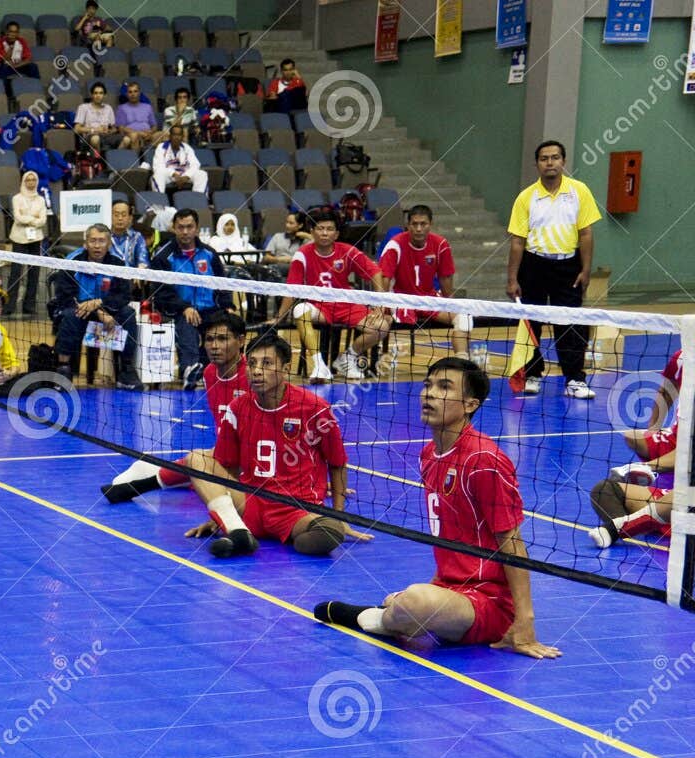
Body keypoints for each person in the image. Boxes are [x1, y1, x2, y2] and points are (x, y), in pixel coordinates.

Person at [315, 358, 560, 659]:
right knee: (416, 599)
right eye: (428, 385)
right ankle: (404, 613)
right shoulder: (429, 454)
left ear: (470, 405)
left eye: (444, 387)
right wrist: (438, 586)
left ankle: (375, 618)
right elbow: (453, 539)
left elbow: (513, 544)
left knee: (416, 601)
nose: (429, 393)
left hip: (490, 602)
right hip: (452, 589)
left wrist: (525, 622)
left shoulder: (484, 460)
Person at [186, 336, 368, 559]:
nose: (257, 371)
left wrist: (338, 516)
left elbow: (337, 463)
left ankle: (242, 534)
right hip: (250, 502)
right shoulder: (238, 407)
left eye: (267, 363)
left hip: (295, 508)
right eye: (252, 363)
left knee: (330, 532)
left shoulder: (315, 408)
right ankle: (237, 529)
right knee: (196, 459)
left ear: (285, 368)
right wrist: (220, 513)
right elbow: (229, 469)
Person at [103, 309, 249, 501]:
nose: (214, 346)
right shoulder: (210, 373)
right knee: (199, 464)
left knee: (200, 465)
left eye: (223, 339)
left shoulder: (254, 377)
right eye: (209, 339)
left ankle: (148, 473)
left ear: (241, 340)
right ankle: (150, 471)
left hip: (251, 458)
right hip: (226, 454)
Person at [506, 140, 600, 399]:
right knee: (530, 323)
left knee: (570, 324)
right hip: (533, 264)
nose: (550, 162)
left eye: (555, 157)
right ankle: (532, 374)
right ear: (537, 164)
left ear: (563, 162)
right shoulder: (526, 197)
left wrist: (586, 269)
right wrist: (512, 278)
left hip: (568, 267)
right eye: (544, 158)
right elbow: (517, 241)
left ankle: (575, 380)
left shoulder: (579, 191)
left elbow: (586, 233)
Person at [275, 207, 389, 383]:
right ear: (311, 232)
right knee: (299, 310)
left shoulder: (347, 251)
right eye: (320, 229)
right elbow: (292, 290)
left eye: (329, 229)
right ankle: (320, 366)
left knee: (381, 326)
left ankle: (347, 358)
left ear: (336, 234)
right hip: (319, 306)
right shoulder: (302, 255)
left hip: (346, 304)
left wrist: (380, 304)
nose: (325, 233)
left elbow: (375, 271)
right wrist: (279, 318)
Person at [149, 208, 230, 387]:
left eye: (189, 227)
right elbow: (162, 292)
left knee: (224, 326)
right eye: (181, 227)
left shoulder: (209, 254)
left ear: (197, 228)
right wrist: (184, 306)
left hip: (210, 308)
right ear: (174, 228)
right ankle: (189, 369)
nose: (185, 231)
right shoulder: (163, 257)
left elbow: (222, 283)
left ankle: (212, 372)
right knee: (187, 324)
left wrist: (227, 304)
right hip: (178, 309)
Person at [379, 204, 470, 357]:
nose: (419, 229)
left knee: (464, 318)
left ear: (430, 224)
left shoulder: (441, 244)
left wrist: (450, 302)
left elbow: (446, 278)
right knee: (380, 323)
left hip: (429, 300)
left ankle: (461, 361)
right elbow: (384, 278)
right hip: (400, 300)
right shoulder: (395, 244)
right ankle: (379, 356)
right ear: (408, 225)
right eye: (414, 224)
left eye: (423, 224)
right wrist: (381, 305)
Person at [48, 223, 132, 381]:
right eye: (93, 241)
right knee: (69, 316)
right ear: (85, 244)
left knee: (128, 313)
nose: (97, 246)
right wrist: (97, 310)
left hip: (107, 312)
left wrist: (100, 304)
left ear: (108, 244)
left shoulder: (118, 265)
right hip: (80, 312)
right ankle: (63, 369)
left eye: (101, 241)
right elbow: (64, 296)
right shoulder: (71, 263)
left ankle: (126, 369)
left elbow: (124, 295)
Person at [6, 171, 49, 315]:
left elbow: (43, 220)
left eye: (33, 180)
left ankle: (29, 306)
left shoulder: (41, 200)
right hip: (19, 238)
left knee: (34, 272)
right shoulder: (16, 198)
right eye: (28, 180)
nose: (31, 183)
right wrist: (33, 218)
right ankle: (9, 306)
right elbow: (18, 218)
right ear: (24, 182)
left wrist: (28, 218)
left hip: (36, 238)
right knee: (16, 272)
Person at [151, 123, 207, 194]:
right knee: (158, 174)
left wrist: (187, 176)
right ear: (170, 136)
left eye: (179, 135)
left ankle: (198, 200)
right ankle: (159, 201)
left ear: (182, 137)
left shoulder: (187, 147)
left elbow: (195, 164)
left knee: (202, 174)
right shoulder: (161, 147)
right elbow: (158, 167)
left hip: (184, 174)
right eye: (174, 134)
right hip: (169, 175)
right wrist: (174, 174)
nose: (176, 137)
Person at [0, 21, 39, 91]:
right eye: (11, 31)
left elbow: (28, 59)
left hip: (19, 65)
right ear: (6, 32)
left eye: (16, 32)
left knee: (33, 67)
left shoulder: (22, 41)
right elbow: (2, 60)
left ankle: (36, 89)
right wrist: (11, 48)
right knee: (2, 69)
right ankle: (4, 94)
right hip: (6, 67)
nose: (13, 34)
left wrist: (16, 65)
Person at [74, 83, 119, 153]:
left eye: (101, 93)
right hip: (89, 137)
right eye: (95, 93)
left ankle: (113, 159)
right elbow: (77, 129)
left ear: (105, 95)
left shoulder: (108, 108)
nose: (98, 96)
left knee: (127, 139)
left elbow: (114, 129)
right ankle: (98, 162)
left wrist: (108, 131)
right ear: (92, 95)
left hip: (106, 137)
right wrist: (95, 130)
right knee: (96, 138)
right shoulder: (83, 107)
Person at [115, 82, 161, 152]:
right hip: (131, 135)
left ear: (139, 93)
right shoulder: (122, 108)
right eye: (130, 92)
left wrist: (150, 132)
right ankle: (137, 162)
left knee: (165, 134)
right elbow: (121, 128)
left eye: (135, 91)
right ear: (127, 94)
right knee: (134, 135)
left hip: (148, 134)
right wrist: (140, 133)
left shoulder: (147, 107)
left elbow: (154, 125)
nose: (133, 94)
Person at [108, 199, 150, 268]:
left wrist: (141, 270)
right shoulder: (105, 237)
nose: (120, 218)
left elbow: (143, 259)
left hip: (132, 277)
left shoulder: (137, 237)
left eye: (124, 215)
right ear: (110, 217)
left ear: (130, 218)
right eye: (116, 215)